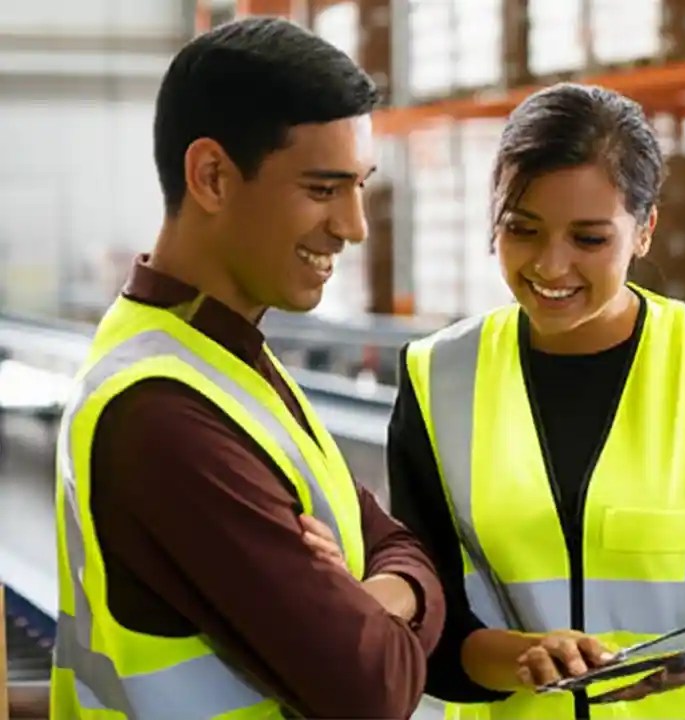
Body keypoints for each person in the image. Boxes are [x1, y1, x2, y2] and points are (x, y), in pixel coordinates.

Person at [388, 82, 685, 719]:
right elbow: (433, 629)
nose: (552, 266)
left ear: (645, 230)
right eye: (523, 229)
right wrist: (525, 656)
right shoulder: (439, 375)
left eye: (589, 239)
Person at [50, 17, 445, 720]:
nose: (354, 225)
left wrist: (394, 589)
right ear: (211, 177)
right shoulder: (162, 415)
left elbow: (397, 542)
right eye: (324, 190)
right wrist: (400, 593)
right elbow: (374, 689)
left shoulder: (224, 356)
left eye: (361, 186)